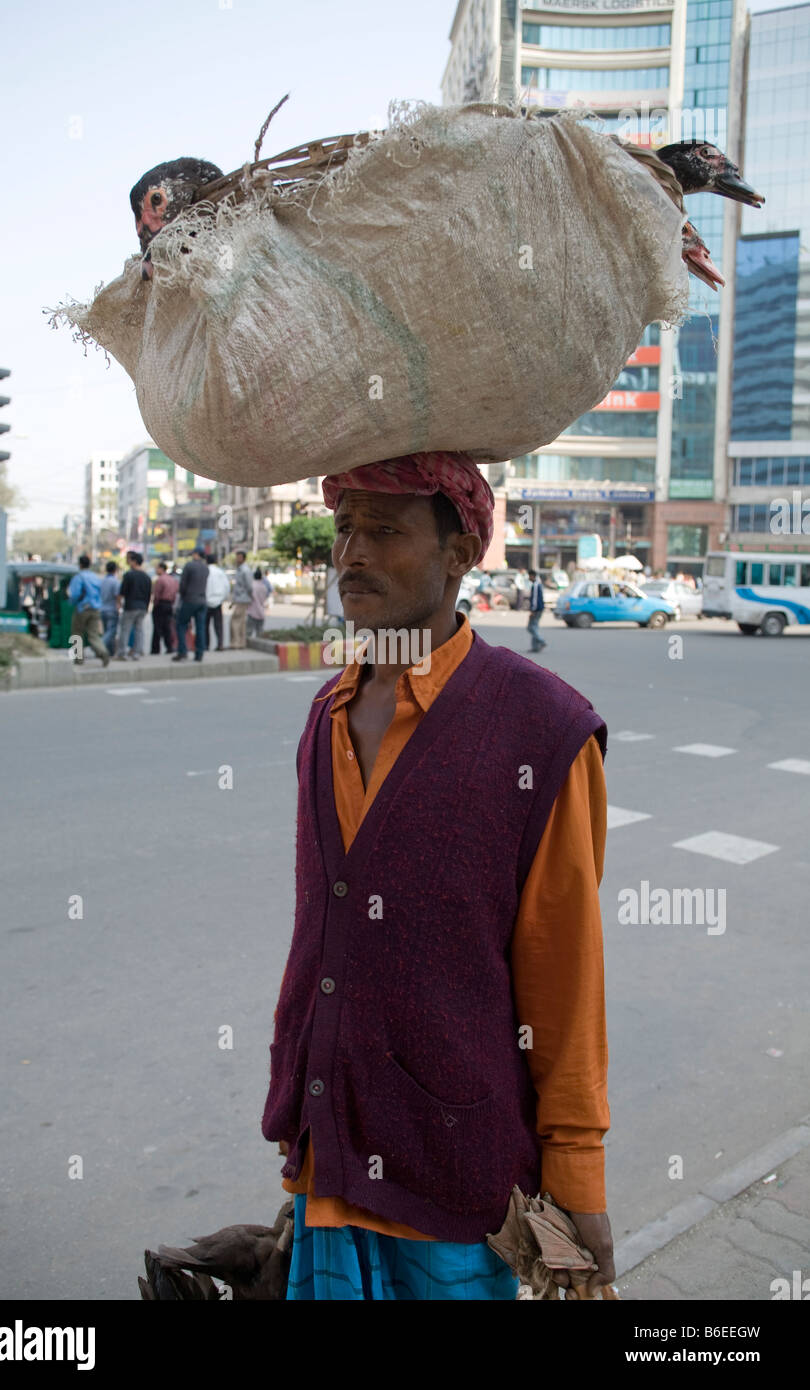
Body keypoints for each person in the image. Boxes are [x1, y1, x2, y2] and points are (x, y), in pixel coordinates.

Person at [261, 451, 613, 1302]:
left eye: (386, 531)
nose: (353, 553)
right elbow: (323, 936)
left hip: (458, 1196)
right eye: (346, 529)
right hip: (330, 1168)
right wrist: (300, 1118)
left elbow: (564, 975)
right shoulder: (326, 717)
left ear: (460, 555)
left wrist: (579, 1177)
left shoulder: (544, 729)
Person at [67, 555, 110, 667]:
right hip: (95, 609)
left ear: (80, 564)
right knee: (94, 634)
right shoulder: (95, 577)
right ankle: (103, 652)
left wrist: (72, 602)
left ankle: (78, 658)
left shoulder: (79, 577)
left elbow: (75, 594)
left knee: (77, 633)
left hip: (82, 608)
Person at [174, 547, 209, 662]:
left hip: (189, 600)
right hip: (202, 601)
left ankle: (182, 652)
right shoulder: (205, 567)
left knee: (181, 625)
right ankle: (199, 653)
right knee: (200, 627)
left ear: (196, 554)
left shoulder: (189, 566)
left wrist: (183, 597)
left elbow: (183, 585)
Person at [115, 551, 151, 660]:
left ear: (134, 562)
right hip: (143, 607)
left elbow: (122, 593)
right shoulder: (146, 577)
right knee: (139, 630)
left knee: (125, 630)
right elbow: (149, 594)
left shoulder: (129, 575)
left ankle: (122, 653)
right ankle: (137, 653)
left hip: (131, 606)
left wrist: (119, 603)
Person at [204, 552, 231, 651]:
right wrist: (222, 598)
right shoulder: (220, 572)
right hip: (218, 602)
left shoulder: (205, 571)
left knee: (205, 625)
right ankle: (220, 644)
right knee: (218, 625)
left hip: (206, 602)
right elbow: (226, 587)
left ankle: (206, 645)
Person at [151, 561, 178, 654]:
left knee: (157, 628)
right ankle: (169, 647)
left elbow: (157, 595)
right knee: (167, 627)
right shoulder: (172, 579)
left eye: (157, 568)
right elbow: (175, 594)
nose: (155, 570)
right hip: (169, 605)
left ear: (161, 569)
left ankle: (155, 649)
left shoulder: (160, 580)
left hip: (161, 604)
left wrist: (155, 604)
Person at [229, 549, 253, 650]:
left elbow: (249, 586)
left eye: (238, 557)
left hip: (242, 599)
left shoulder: (245, 570)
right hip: (240, 599)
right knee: (241, 622)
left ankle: (236, 643)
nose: (237, 559)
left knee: (235, 622)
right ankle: (241, 643)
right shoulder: (240, 569)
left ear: (243, 558)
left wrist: (248, 596)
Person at [100, 560, 120, 655]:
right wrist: (119, 605)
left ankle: (109, 652)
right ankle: (99, 646)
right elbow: (117, 596)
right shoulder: (115, 582)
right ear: (115, 570)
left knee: (107, 631)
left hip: (102, 609)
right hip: (111, 609)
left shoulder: (102, 581)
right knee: (111, 631)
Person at [246, 566, 270, 637]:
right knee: (259, 631)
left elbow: (249, 597)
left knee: (248, 631)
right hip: (261, 611)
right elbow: (265, 597)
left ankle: (247, 645)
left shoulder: (252, 586)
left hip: (252, 611)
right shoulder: (264, 587)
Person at [527, 568, 546, 652]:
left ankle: (541, 641)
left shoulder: (535, 585)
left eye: (529, 576)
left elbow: (534, 599)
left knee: (530, 628)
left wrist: (532, 610)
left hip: (536, 610)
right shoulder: (538, 584)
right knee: (535, 627)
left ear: (532, 576)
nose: (528, 578)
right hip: (540, 609)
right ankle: (535, 647)